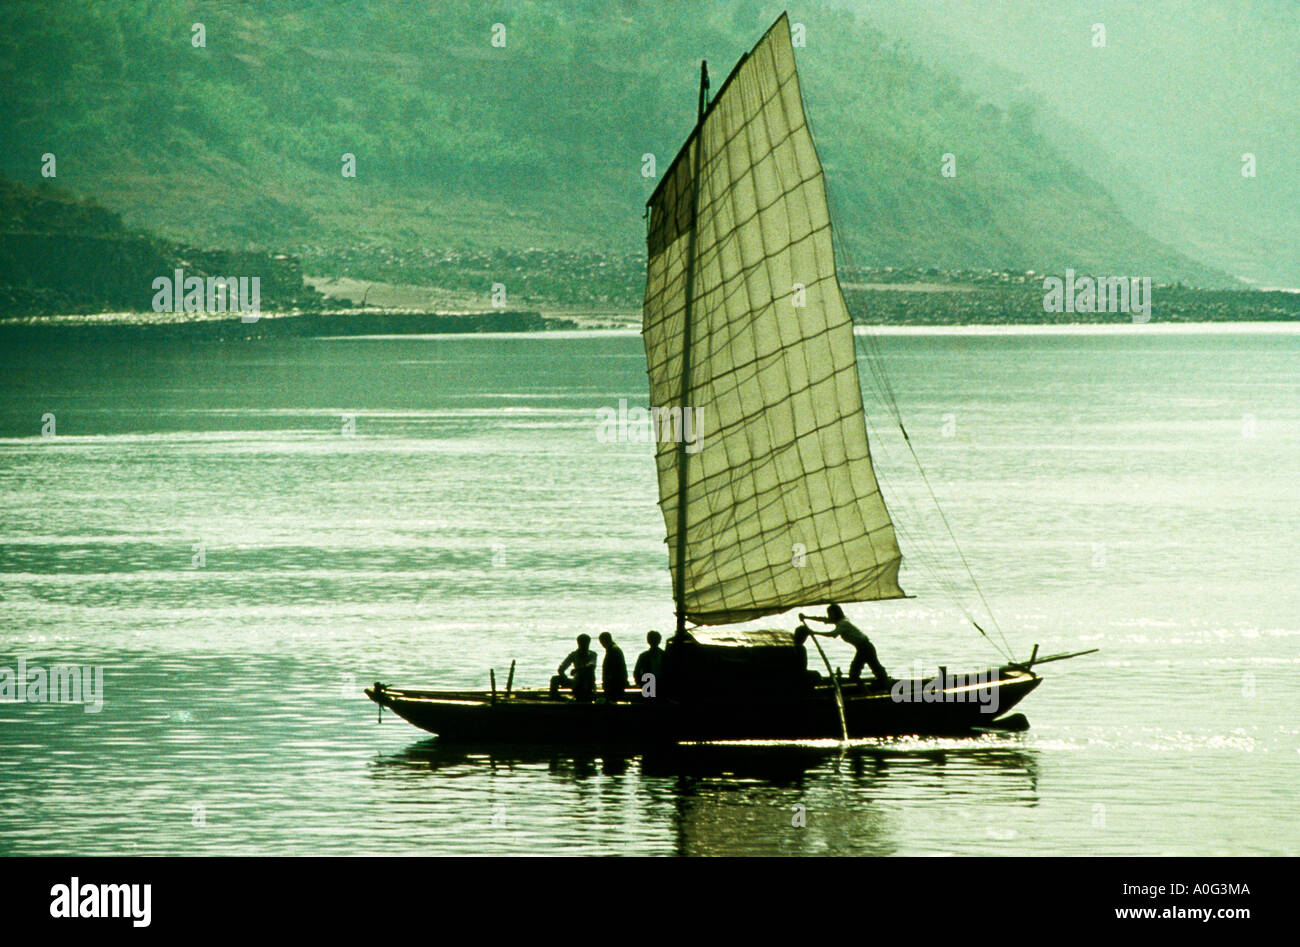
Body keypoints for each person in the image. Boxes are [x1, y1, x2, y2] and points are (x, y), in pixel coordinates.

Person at [798, 603, 889, 685]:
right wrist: (807, 617)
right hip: (862, 647)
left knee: (867, 668)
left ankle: (883, 684)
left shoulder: (843, 623)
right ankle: (871, 684)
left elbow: (832, 634)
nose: (829, 616)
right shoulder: (839, 621)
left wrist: (814, 632)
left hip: (865, 647)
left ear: (835, 613)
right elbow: (823, 619)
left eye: (830, 614)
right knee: (859, 668)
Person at [551, 634, 597, 701]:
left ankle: (584, 697)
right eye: (582, 643)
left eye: (586, 643)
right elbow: (561, 668)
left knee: (583, 681)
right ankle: (555, 698)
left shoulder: (592, 654)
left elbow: (591, 666)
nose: (585, 645)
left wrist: (577, 670)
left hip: (588, 683)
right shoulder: (574, 655)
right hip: (576, 681)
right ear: (578, 643)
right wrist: (563, 675)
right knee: (555, 679)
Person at [598, 632, 628, 701]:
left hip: (614, 685)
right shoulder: (614, 649)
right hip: (617, 683)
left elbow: (613, 669)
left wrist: (608, 683)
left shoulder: (612, 650)